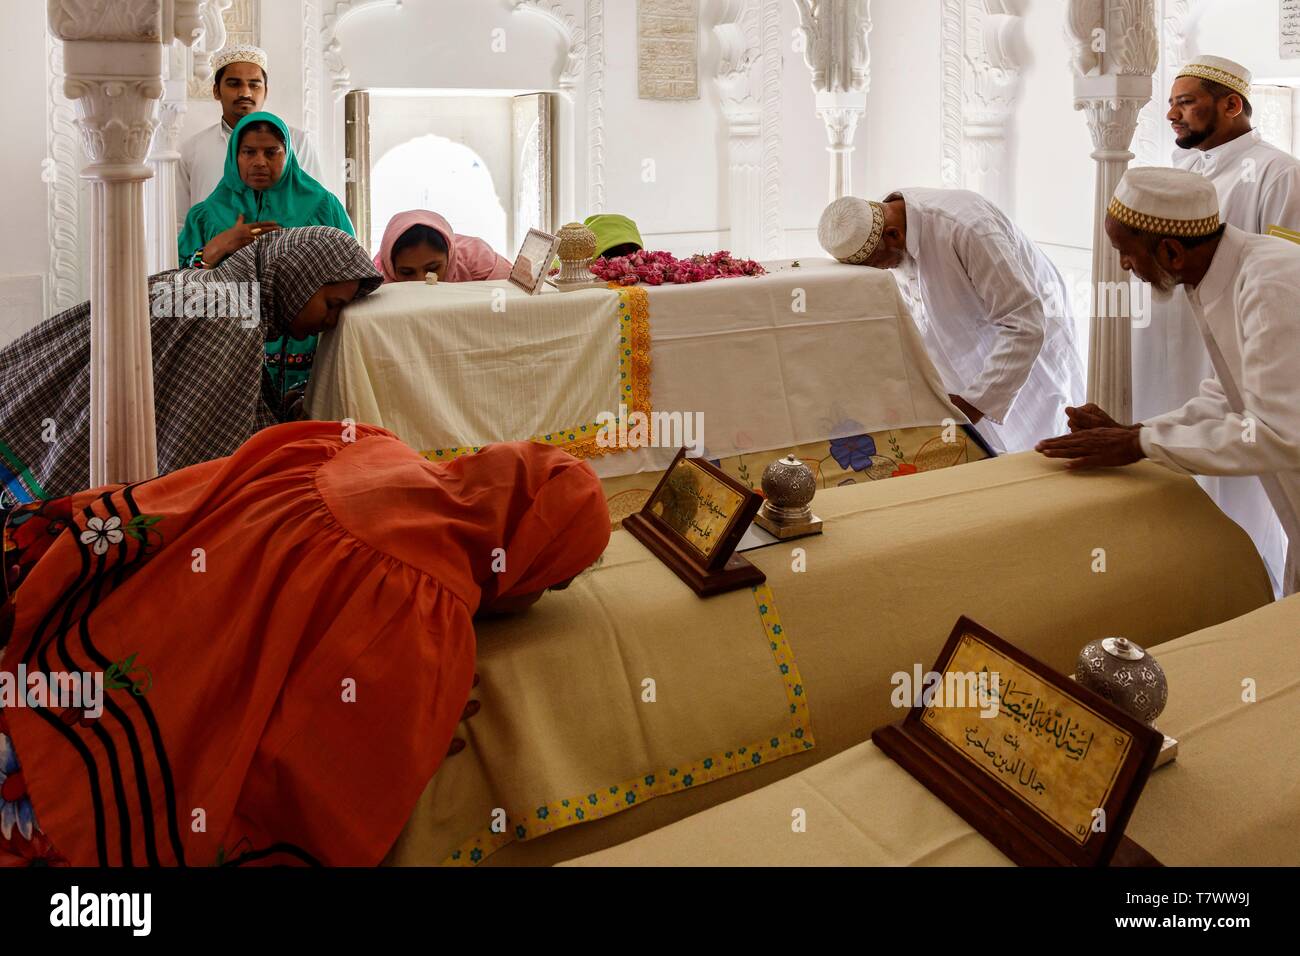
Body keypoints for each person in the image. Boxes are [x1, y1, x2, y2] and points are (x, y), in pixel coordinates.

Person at [0, 423, 611, 866]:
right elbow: (320, 773)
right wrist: (420, 715)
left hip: (99, 617)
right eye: (553, 582)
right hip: (119, 769)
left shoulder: (362, 442)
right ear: (526, 564)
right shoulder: (428, 611)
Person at [1037, 167, 1300, 596]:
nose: (1123, 265)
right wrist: (1137, 432)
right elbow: (1227, 394)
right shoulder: (1222, 273)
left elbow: (1274, 432)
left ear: (1173, 252)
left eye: (1126, 251)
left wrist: (1139, 446)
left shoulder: (1268, 283)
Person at [0, 227, 381, 505]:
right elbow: (194, 456)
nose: (330, 322)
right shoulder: (227, 318)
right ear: (297, 278)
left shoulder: (213, 288)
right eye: (331, 304)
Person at [1133, 55, 1300, 592]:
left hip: (1248, 364)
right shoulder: (1185, 174)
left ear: (1231, 105)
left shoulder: (1280, 172)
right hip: (1186, 362)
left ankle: (1251, 594)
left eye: (1186, 102)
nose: (1173, 115)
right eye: (1171, 104)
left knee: (1248, 493)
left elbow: (1278, 281)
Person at [818, 189, 1085, 453]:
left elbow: (1025, 323)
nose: (882, 270)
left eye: (880, 263)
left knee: (1038, 449)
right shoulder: (885, 223)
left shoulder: (966, 227)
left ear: (893, 235)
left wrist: (974, 404)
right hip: (965, 348)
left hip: (1029, 352)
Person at [179, 112, 356, 400]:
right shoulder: (206, 216)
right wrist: (219, 246)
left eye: (272, 152)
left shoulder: (323, 207)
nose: (259, 162)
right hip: (228, 354)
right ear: (235, 157)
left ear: (288, 155)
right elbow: (180, 288)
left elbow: (352, 273)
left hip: (313, 350)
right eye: (249, 152)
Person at [177, 44, 323, 232]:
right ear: (216, 91)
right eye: (234, 83)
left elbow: (316, 211)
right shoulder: (193, 149)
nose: (245, 92)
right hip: (215, 258)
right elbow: (180, 225)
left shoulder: (297, 142)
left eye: (254, 84)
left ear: (266, 91)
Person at [373, 211, 512, 283]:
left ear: (450, 258)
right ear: (391, 270)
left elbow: (517, 300)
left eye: (433, 268)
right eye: (407, 272)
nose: (422, 281)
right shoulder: (379, 279)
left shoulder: (478, 261)